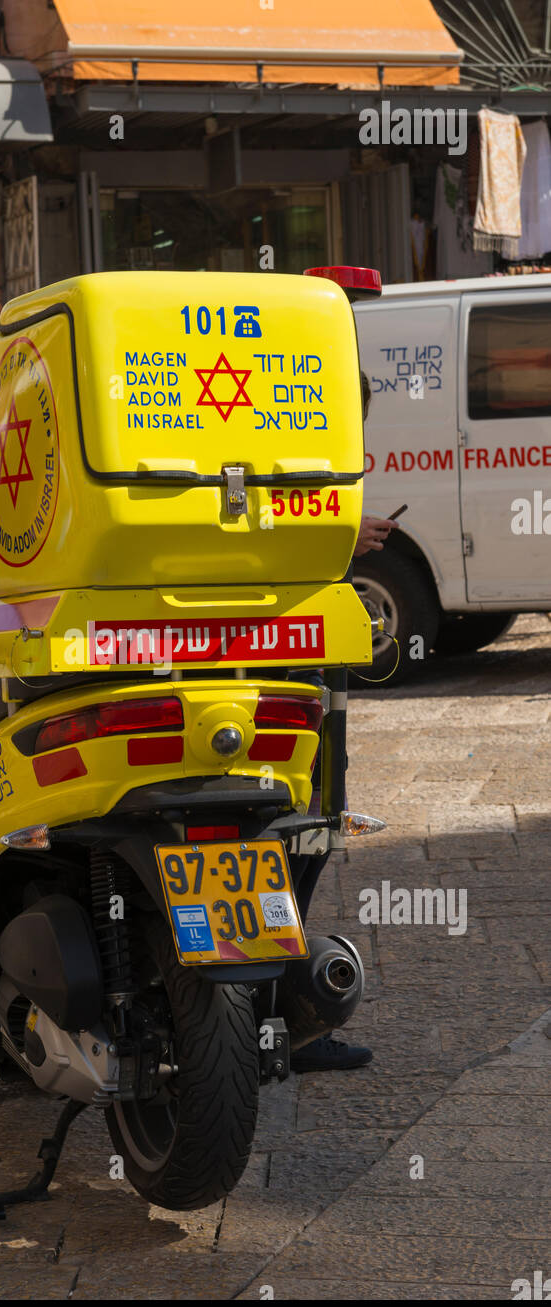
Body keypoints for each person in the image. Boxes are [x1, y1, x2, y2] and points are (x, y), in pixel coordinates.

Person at [288, 371, 398, 1071]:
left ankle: (278, 1014)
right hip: (280, 683)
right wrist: (342, 534)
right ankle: (283, 1020)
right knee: (296, 840)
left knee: (309, 838)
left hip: (302, 679)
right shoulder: (285, 458)